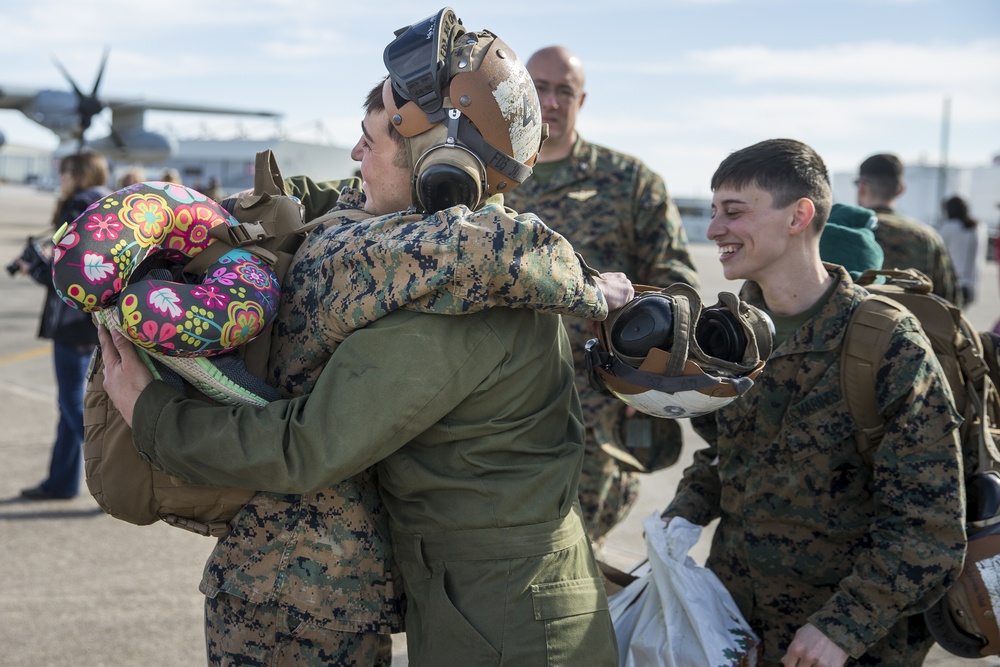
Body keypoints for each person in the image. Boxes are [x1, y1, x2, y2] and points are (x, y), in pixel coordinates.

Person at [97, 11, 623, 666]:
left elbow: (307, 445)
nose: (355, 155)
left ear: (439, 170)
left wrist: (150, 411)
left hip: (510, 624)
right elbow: (339, 203)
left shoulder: (454, 300)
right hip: (489, 602)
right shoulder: (450, 253)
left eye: (369, 141)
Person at [662, 138, 966, 665]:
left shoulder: (886, 344)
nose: (713, 230)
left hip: (848, 645)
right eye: (713, 212)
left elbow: (930, 524)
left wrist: (842, 628)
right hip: (734, 627)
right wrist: (679, 519)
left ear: (799, 216)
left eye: (733, 212)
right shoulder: (729, 333)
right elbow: (726, 456)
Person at [503, 45, 699, 548]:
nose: (551, 101)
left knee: (580, 543)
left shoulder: (629, 182)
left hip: (596, 404)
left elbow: (676, 281)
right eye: (540, 88)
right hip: (499, 400)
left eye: (564, 91)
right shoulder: (488, 178)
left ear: (581, 100)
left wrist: (652, 375)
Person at [18, 151, 110, 500]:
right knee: (70, 406)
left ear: (79, 174)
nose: (60, 179)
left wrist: (35, 268)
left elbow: (66, 275)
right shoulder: (105, 205)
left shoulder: (77, 207)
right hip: (92, 319)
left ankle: (115, 469)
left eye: (65, 172)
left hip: (72, 321)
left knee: (72, 404)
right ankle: (61, 482)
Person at [855, 152, 959, 304]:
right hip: (917, 319)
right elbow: (950, 302)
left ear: (862, 188)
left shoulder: (848, 232)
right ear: (901, 189)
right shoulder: (927, 237)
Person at [939, 194, 987, 307]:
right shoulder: (979, 227)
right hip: (971, 283)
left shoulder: (949, 226)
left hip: (952, 282)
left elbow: (939, 251)